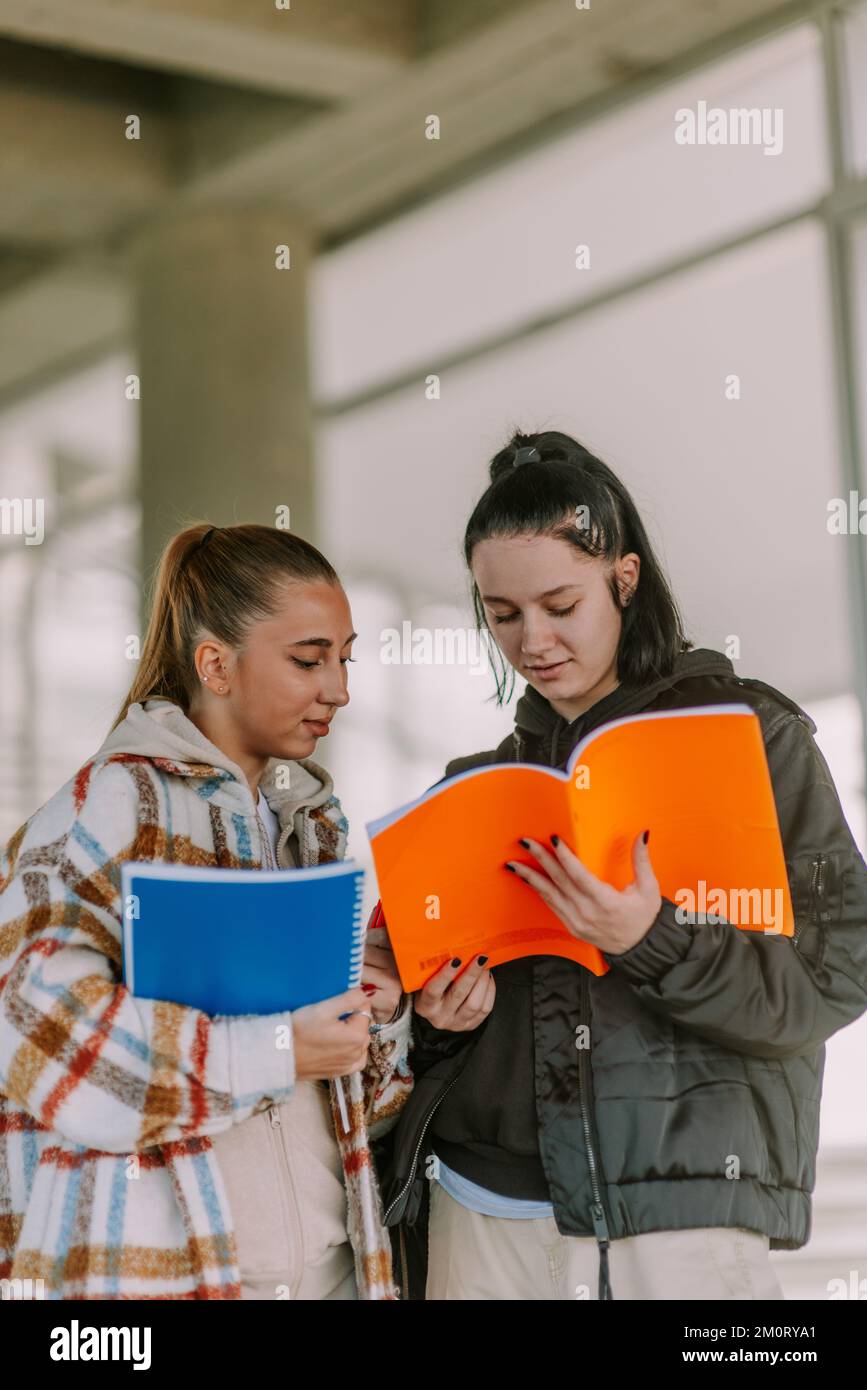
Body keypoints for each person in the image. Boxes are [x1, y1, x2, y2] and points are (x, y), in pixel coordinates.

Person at [378, 429, 867, 1301]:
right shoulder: (478, 789)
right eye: (502, 614)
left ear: (624, 579)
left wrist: (652, 938)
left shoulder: (753, 741)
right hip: (483, 1210)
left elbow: (836, 977)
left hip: (683, 1214)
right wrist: (439, 1021)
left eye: (560, 605)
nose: (532, 639)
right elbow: (423, 1030)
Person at [0, 522, 411, 1300]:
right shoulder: (107, 806)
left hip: (333, 1276)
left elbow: (344, 1110)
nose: (340, 689)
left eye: (345, 658)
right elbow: (39, 1042)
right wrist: (278, 1050)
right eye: (307, 659)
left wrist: (382, 1024)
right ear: (215, 665)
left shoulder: (312, 830)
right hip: (166, 1284)